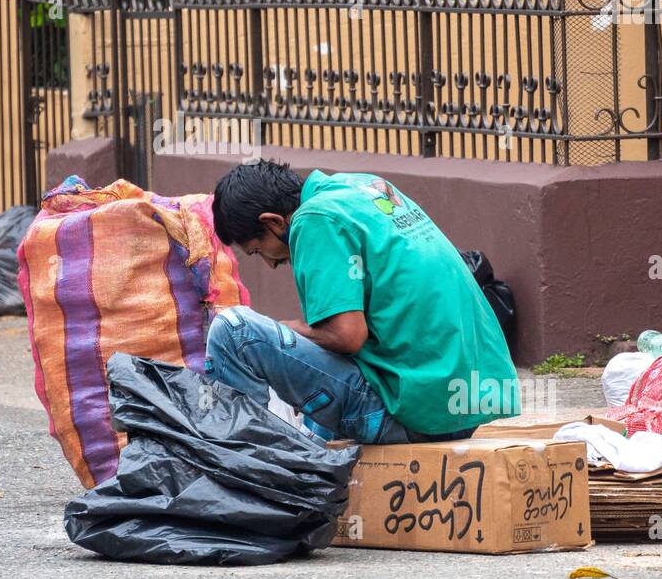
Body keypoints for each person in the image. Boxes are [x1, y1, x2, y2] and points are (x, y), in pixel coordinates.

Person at [206, 159, 518, 443]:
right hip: (464, 406)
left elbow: (347, 336)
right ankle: (305, 451)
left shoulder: (315, 219)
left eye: (258, 250)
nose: (271, 264)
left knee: (233, 330)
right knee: (324, 348)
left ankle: (250, 464)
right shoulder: (363, 187)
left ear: (273, 222)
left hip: (420, 417)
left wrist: (281, 330)